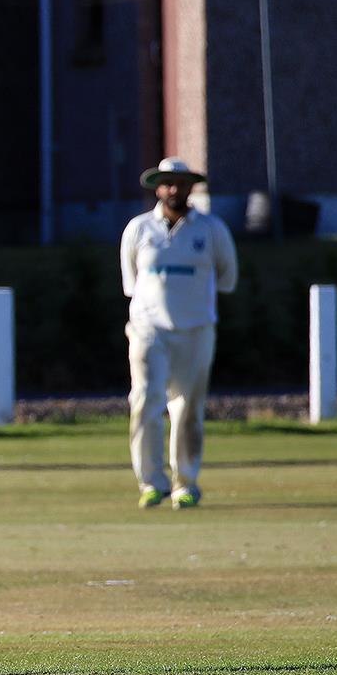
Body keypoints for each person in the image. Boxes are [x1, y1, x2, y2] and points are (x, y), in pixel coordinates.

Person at [120, 157, 238, 509]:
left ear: (191, 188)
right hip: (148, 328)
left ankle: (185, 482)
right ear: (158, 188)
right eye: (168, 183)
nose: (175, 189)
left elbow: (227, 277)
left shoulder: (212, 229)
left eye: (181, 183)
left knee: (187, 408)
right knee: (145, 401)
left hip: (196, 328)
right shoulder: (139, 229)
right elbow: (131, 284)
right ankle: (151, 483)